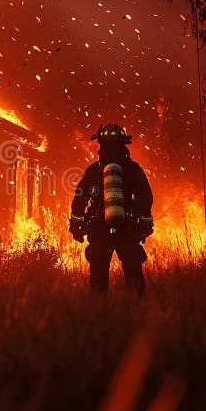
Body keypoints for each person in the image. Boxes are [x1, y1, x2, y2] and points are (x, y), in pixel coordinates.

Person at [69, 124, 154, 294]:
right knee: (133, 273)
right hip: (128, 229)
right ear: (124, 145)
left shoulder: (94, 170)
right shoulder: (133, 170)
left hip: (99, 229)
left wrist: (75, 225)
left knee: (98, 276)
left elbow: (79, 200)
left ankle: (98, 313)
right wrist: (144, 225)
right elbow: (145, 198)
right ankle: (137, 311)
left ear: (100, 144)